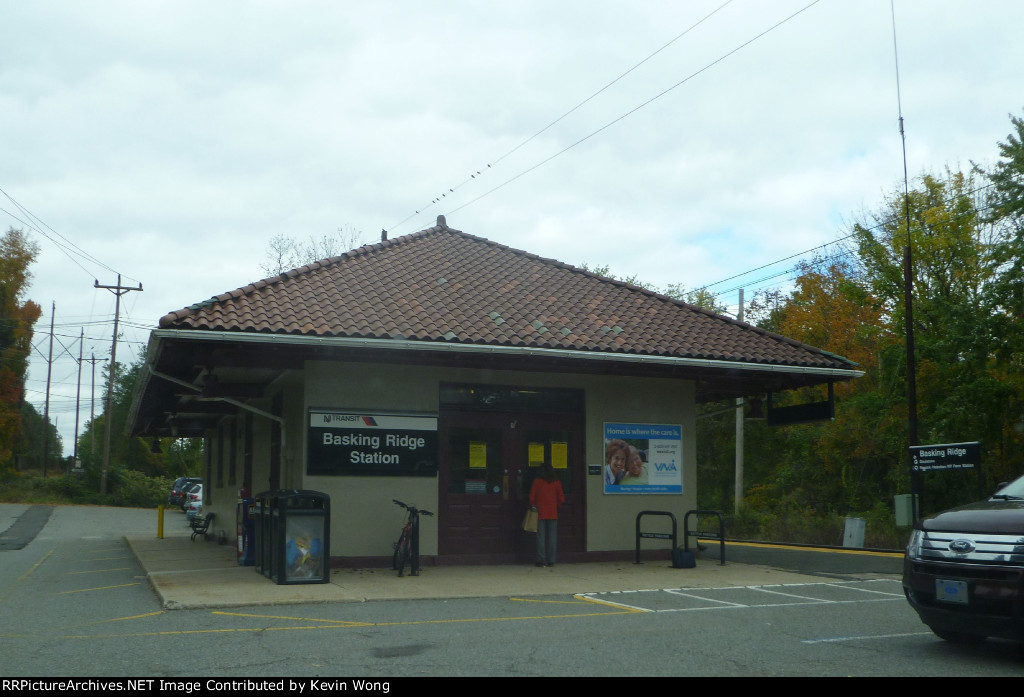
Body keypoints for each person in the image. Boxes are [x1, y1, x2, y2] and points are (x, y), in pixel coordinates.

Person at [529, 464, 565, 567]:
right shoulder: (556, 482)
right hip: (553, 512)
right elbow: (562, 499)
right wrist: (555, 505)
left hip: (540, 512)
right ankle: (551, 560)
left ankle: (540, 559)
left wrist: (534, 505)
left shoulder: (537, 482)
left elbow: (531, 498)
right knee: (552, 537)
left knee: (541, 537)